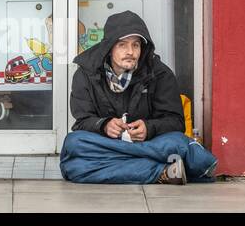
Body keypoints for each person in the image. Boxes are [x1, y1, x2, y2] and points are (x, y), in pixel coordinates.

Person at [60, 10, 216, 184]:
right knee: (74, 142)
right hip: (109, 142)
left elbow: (175, 122)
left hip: (147, 143)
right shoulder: (86, 74)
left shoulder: (160, 74)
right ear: (109, 48)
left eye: (136, 45)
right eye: (122, 45)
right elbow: (82, 121)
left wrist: (149, 128)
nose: (130, 52)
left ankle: (129, 167)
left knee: (177, 142)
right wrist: (104, 125)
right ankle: (161, 171)